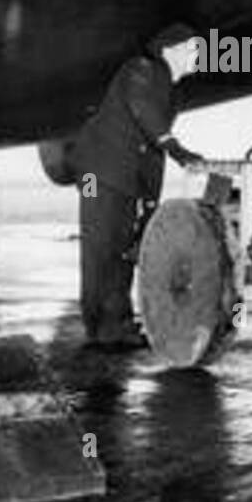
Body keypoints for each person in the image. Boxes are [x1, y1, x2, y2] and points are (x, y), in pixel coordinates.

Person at [70, 30, 203, 350]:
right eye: (195, 52)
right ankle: (97, 327)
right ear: (174, 50)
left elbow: (149, 149)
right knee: (101, 247)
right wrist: (177, 148)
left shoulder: (171, 91)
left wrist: (149, 199)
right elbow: (146, 115)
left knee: (125, 249)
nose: (199, 59)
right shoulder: (140, 70)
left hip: (127, 177)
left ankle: (118, 326)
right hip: (98, 173)